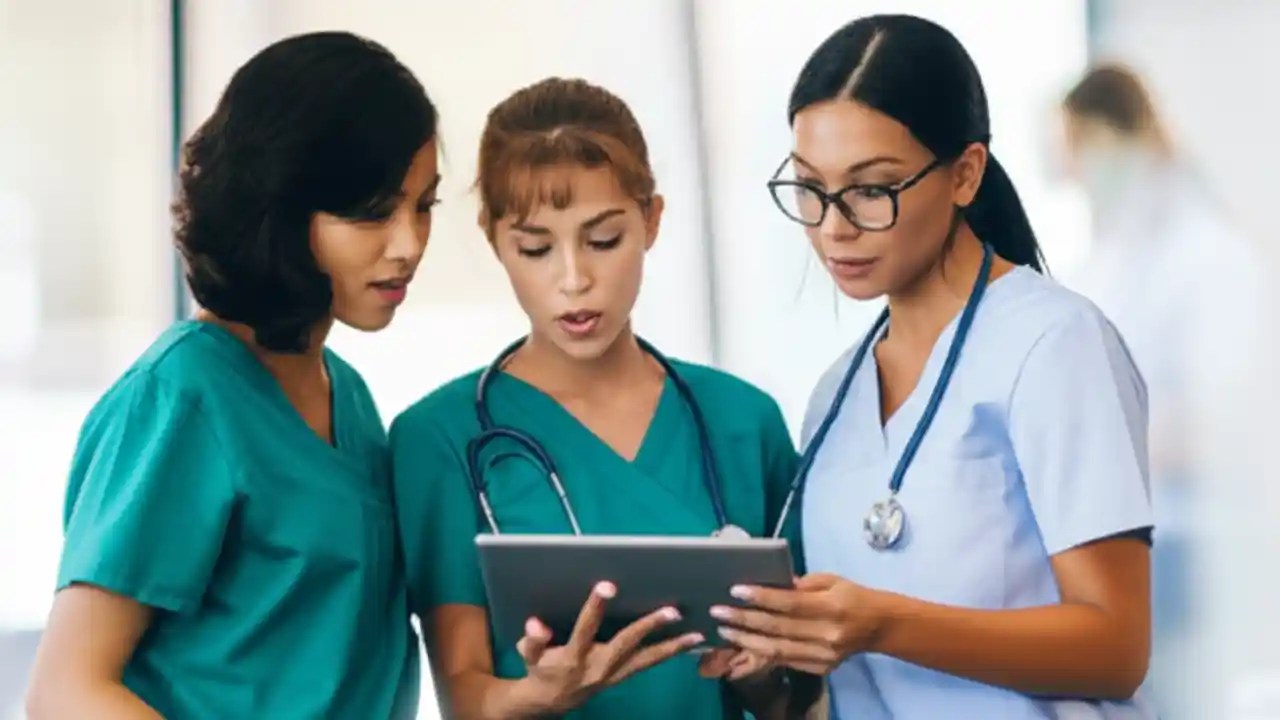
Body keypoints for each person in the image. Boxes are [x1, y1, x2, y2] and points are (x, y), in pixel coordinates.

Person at [705, 15, 1158, 719]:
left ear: (966, 174)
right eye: (809, 188)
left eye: (870, 189)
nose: (832, 226)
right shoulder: (836, 394)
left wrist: (885, 623)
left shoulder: (1054, 343)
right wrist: (765, 674)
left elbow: (1117, 647)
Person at [24, 31, 438, 719]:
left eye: (424, 205)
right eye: (371, 213)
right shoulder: (184, 396)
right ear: (280, 205)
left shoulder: (353, 403)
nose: (409, 244)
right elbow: (65, 692)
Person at [389, 77, 810, 720]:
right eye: (535, 248)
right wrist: (539, 696)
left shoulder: (743, 421)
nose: (574, 279)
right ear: (494, 241)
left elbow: (798, 697)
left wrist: (762, 679)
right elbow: (464, 697)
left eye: (604, 239)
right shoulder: (441, 438)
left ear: (652, 220)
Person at [1060, 63, 1265, 719]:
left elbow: (1221, 418)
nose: (1075, 175)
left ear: (1119, 139)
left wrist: (1099, 452)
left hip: (1191, 536)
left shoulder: (1208, 255)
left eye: (1080, 153)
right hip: (1135, 537)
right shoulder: (1113, 256)